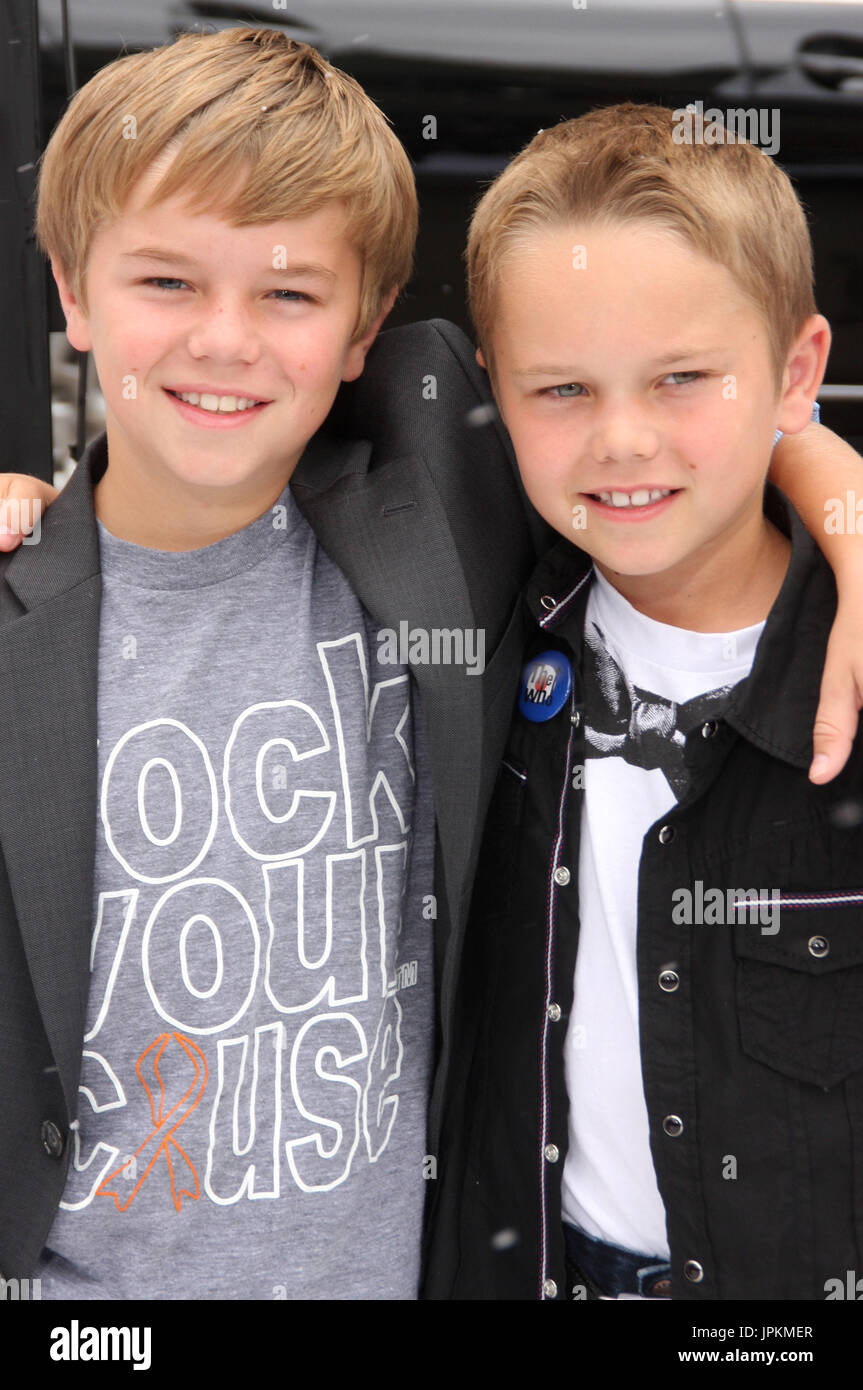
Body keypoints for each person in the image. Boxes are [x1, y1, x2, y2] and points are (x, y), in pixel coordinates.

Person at [0, 33, 860, 1300]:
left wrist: (842, 503)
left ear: (366, 329)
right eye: (166, 283)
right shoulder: (24, 616)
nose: (225, 340)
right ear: (72, 292)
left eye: (290, 294)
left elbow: (679, 424)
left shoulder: (441, 481)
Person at [422, 102, 863, 1301]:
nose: (621, 439)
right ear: (490, 396)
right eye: (558, 390)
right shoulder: (485, 607)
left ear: (797, 373)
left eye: (680, 378)